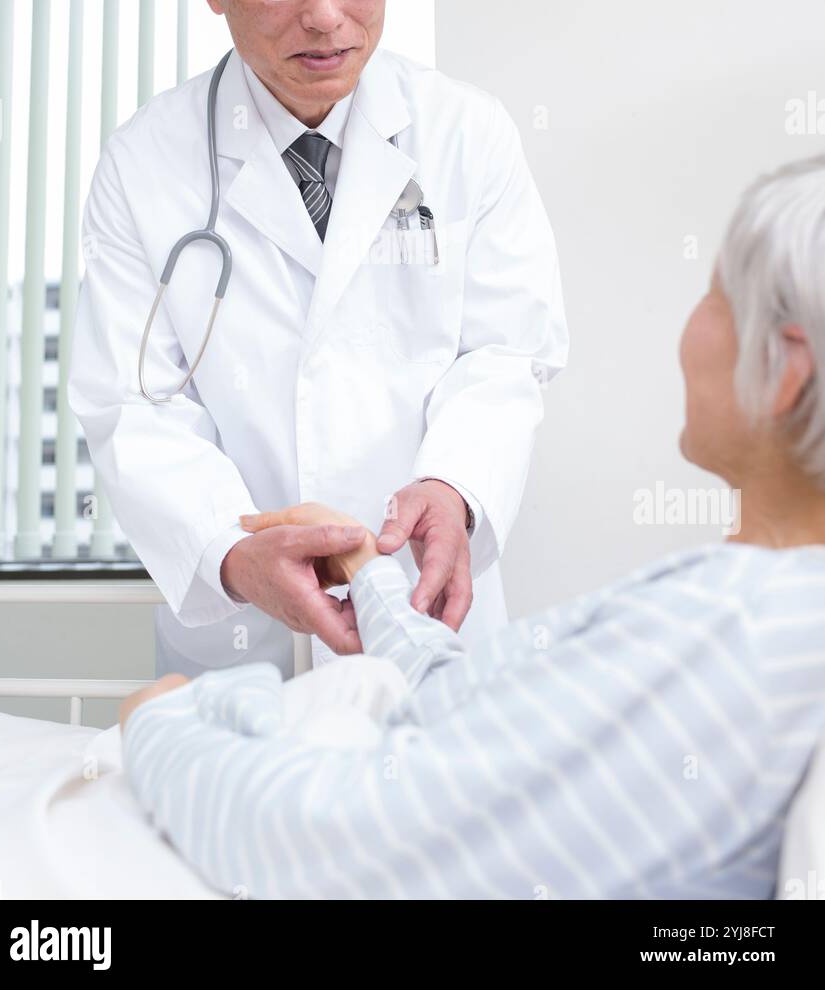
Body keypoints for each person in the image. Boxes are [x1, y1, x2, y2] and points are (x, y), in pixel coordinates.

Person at [120, 155, 825, 899]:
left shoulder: (735, 626)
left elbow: (339, 850)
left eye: (713, 297)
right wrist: (365, 568)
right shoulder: (762, 607)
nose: (690, 326)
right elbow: (474, 704)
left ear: (784, 370)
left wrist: (161, 724)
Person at [67, 0, 568, 679]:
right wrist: (230, 552)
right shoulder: (145, 161)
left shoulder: (464, 133)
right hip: (241, 630)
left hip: (423, 596)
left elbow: (507, 352)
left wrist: (455, 485)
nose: (326, 13)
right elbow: (133, 404)